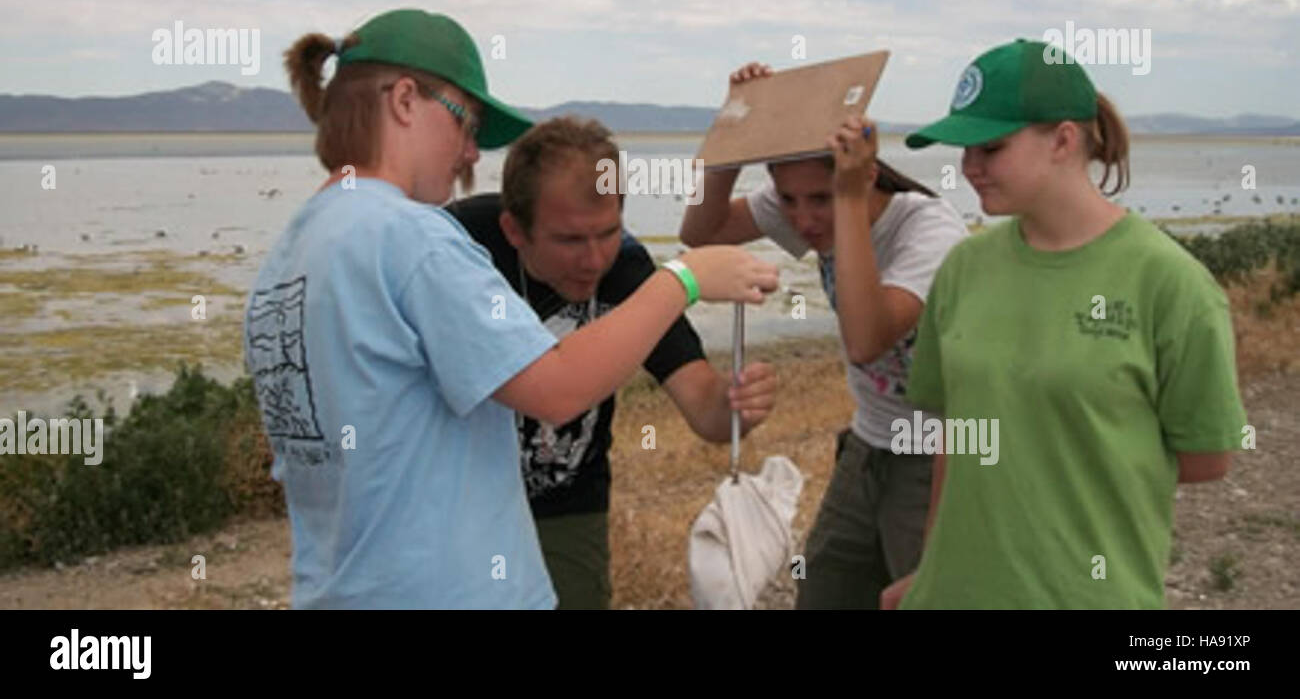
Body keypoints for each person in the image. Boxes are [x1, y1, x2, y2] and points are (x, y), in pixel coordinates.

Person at [242, 9, 778, 609]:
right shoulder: (413, 237)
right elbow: (555, 388)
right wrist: (686, 277)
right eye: (466, 123)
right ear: (403, 101)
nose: (472, 153)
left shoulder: (285, 260)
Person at [882, 38, 1248, 609]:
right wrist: (930, 569)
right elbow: (955, 433)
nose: (969, 168)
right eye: (964, 150)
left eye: (990, 148)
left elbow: (1206, 457)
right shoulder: (963, 268)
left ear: (1063, 140)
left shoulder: (1171, 284)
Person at [448, 116, 780, 609]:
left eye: (607, 232)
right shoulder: (457, 245)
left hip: (567, 503)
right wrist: (686, 279)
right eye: (569, 240)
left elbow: (705, 408)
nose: (593, 260)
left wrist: (736, 405)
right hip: (455, 502)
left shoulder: (627, 270)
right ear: (513, 229)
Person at [679, 62, 968, 609]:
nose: (804, 219)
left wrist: (850, 198)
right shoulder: (806, 206)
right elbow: (700, 234)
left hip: (936, 455)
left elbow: (867, 338)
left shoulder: (927, 228)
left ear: (861, 177)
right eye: (788, 199)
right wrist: (731, 145)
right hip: (867, 441)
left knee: (928, 599)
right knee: (825, 592)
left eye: (820, 199)